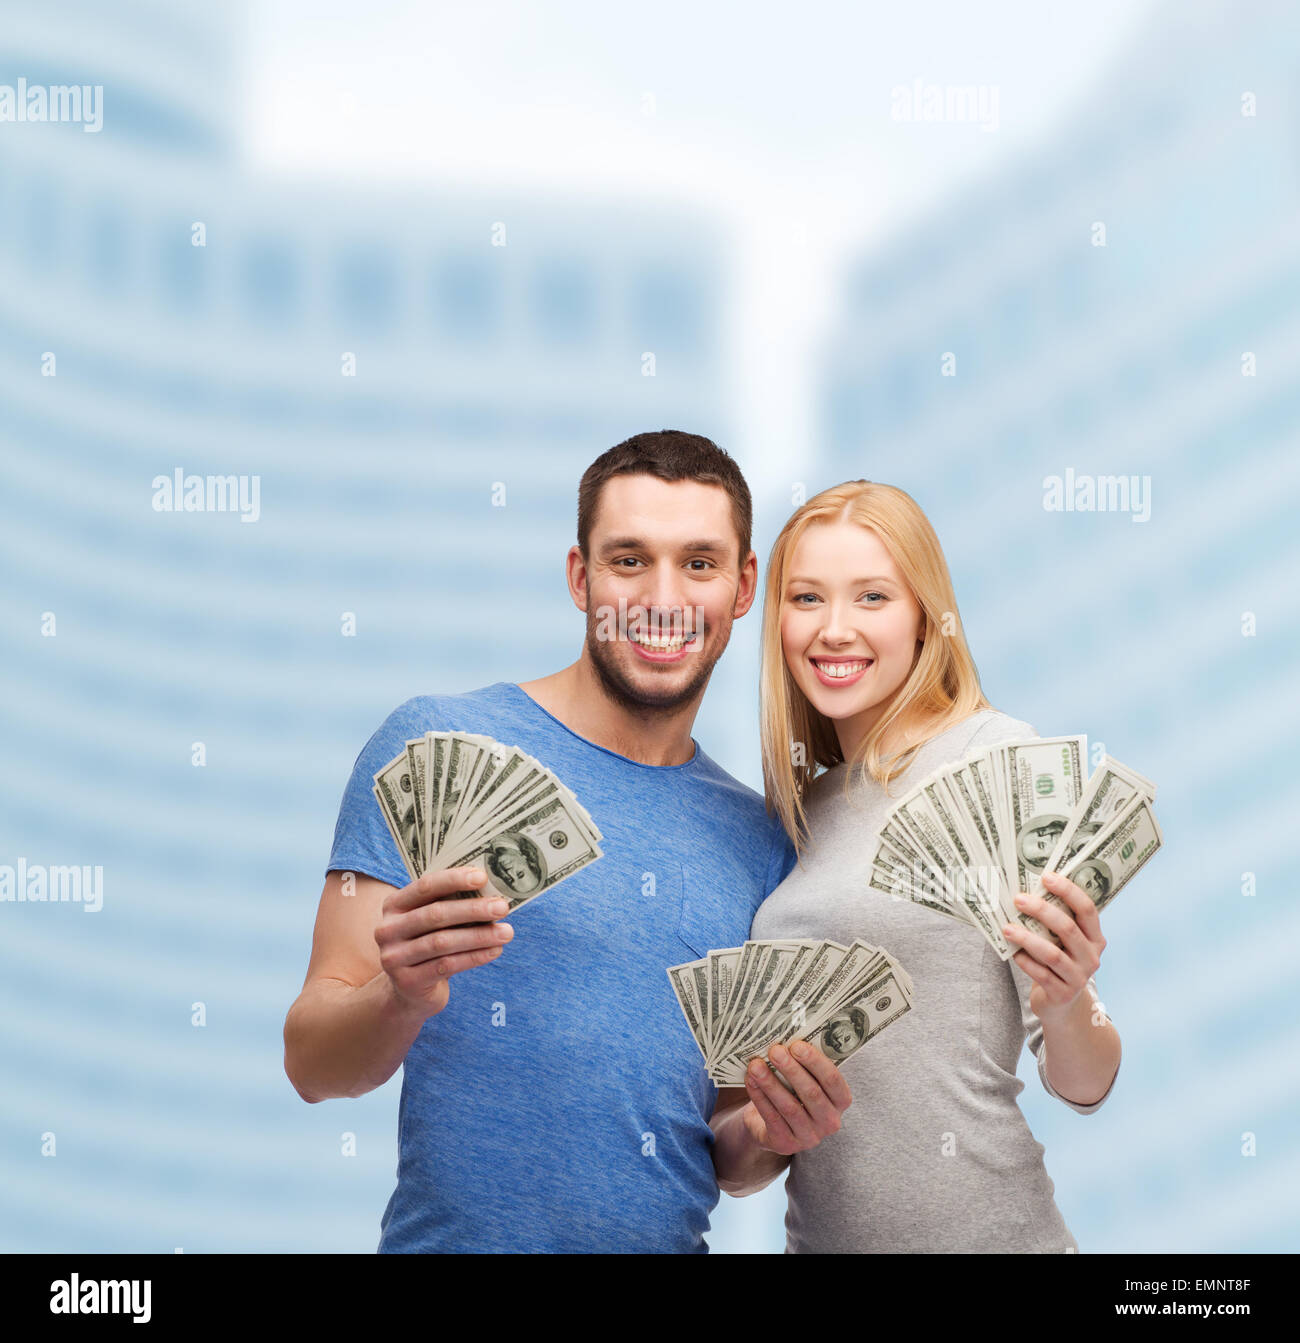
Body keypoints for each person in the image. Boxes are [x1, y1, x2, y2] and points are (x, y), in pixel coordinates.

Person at [282, 429, 834, 1253]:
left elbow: (725, 1148)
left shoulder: (762, 840)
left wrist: (773, 1130)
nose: (663, 595)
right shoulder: (436, 745)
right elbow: (313, 1064)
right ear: (581, 577)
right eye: (628, 559)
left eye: (699, 562)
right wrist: (398, 996)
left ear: (743, 585)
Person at [708, 479, 1123, 1253]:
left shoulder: (993, 758)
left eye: (872, 597)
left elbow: (1087, 1082)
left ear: (927, 616)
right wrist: (766, 1126)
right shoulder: (795, 815)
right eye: (806, 598)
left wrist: (1070, 1002)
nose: (835, 630)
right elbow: (739, 1161)